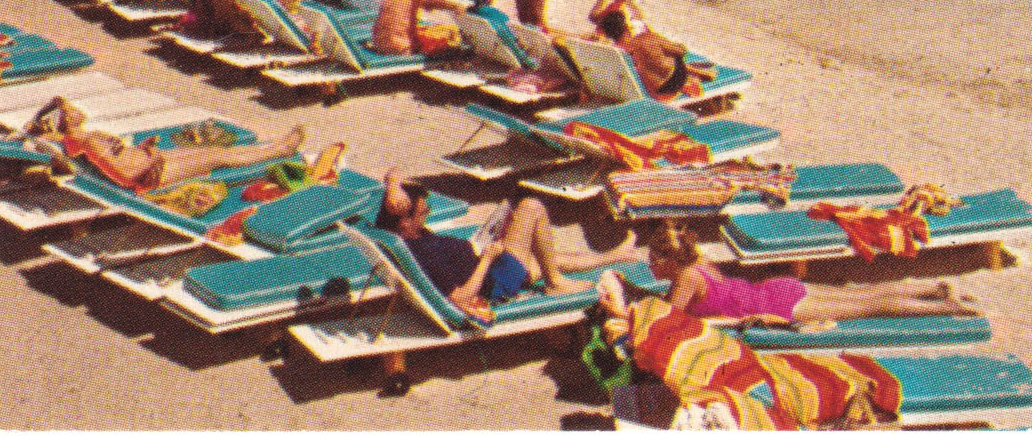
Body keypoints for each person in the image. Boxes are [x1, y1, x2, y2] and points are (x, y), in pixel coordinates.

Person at [600, 222, 973, 330]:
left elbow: (667, 322)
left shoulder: (683, 281)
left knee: (869, 307)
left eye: (653, 259)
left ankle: (946, 307)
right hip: (778, 288)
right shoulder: (698, 263)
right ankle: (933, 287)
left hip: (779, 304)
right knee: (862, 293)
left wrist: (620, 312)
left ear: (669, 260)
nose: (649, 265)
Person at [376, 169, 630, 325]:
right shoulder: (425, 255)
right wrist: (487, 259)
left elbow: (395, 201)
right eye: (422, 213)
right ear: (405, 222)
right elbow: (461, 297)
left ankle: (615, 255)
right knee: (532, 206)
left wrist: (393, 182)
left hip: (486, 263)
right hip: (495, 280)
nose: (428, 214)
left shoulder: (399, 233)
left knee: (544, 257)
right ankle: (554, 282)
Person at [23, 95, 305, 192]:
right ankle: (280, 150)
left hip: (151, 161)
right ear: (66, 121)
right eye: (71, 110)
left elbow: (120, 157)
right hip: (151, 177)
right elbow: (122, 172)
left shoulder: (82, 137)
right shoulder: (85, 141)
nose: (76, 109)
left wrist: (144, 150)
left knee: (218, 150)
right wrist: (149, 162)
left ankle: (276, 145)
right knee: (219, 159)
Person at [593, 6, 691, 99]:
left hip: (652, 90)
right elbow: (681, 51)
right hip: (674, 83)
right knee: (672, 51)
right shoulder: (646, 38)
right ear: (627, 26)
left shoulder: (613, 51)